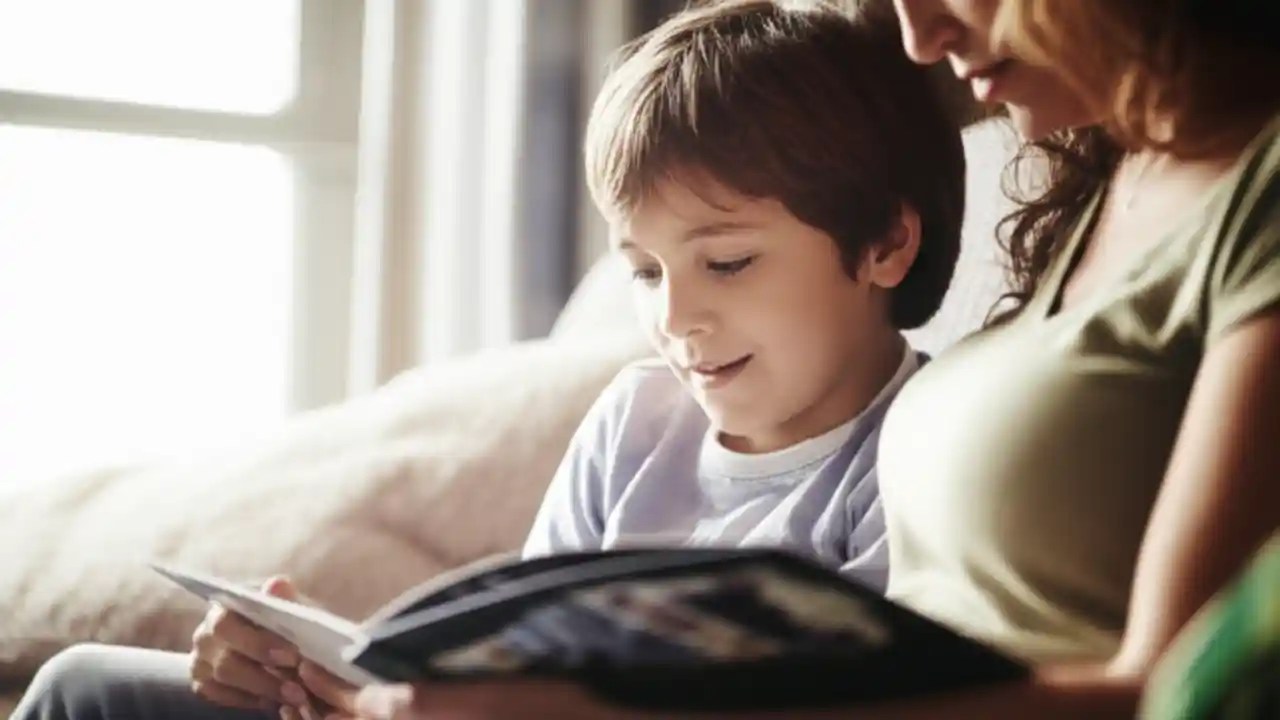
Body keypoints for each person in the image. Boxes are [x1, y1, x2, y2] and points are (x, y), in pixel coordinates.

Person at [8, 2, 966, 719]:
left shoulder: (912, 453)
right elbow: (513, 653)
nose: (675, 317)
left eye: (726, 262)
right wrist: (317, 667)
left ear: (884, 243)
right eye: (642, 270)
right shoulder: (634, 421)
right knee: (86, 685)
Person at [338, 0, 1280, 717]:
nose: (920, 36)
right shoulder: (1103, 186)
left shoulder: (1257, 197)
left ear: (887, 248)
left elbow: (1173, 688)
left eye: (730, 262)